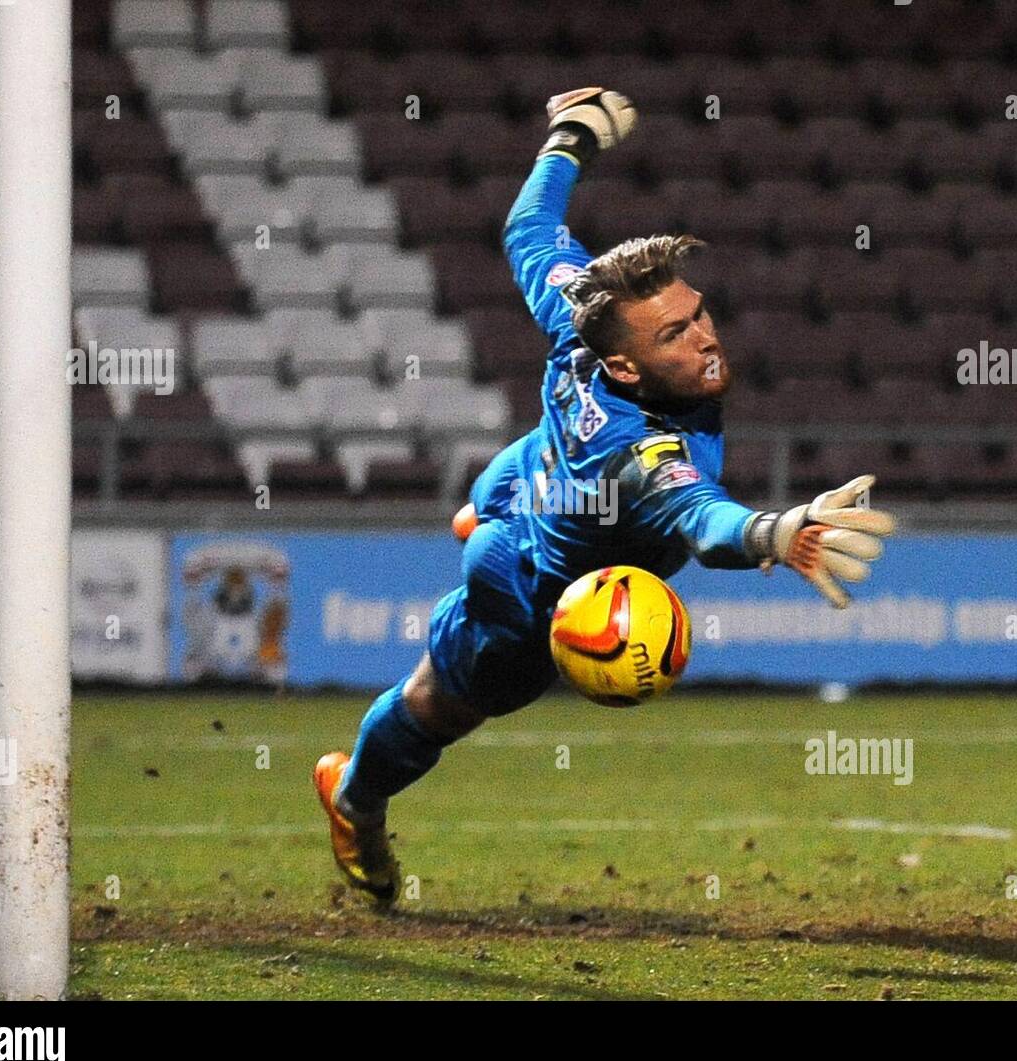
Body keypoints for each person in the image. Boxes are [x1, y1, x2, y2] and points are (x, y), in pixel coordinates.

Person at [314, 89, 895, 905]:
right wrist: (780, 533)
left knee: (516, 492)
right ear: (624, 367)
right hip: (529, 584)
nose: (704, 339)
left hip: (534, 476)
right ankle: (355, 801)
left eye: (697, 314)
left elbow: (527, 228)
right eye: (675, 336)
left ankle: (485, 505)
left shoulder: (580, 312)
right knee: (444, 704)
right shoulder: (641, 450)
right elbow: (702, 520)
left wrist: (569, 137)